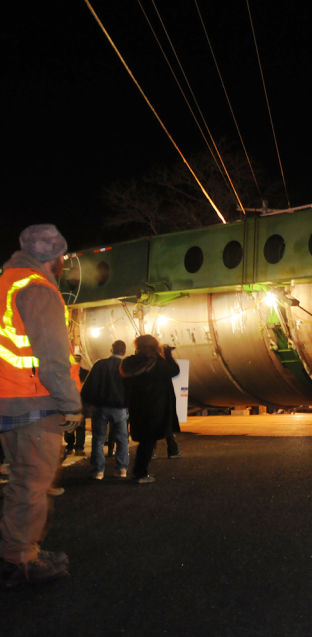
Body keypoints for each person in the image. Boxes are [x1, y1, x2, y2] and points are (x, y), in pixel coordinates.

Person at [0, 224, 82, 587]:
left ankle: (19, 549)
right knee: (32, 483)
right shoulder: (38, 290)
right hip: (33, 402)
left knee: (22, 481)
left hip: (9, 399)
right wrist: (71, 404)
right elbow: (53, 360)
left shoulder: (6, 283)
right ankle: (20, 559)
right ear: (55, 256)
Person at [120, 335, 180, 484]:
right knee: (148, 441)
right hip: (154, 407)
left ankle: (139, 472)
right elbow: (174, 371)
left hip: (136, 406)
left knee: (144, 440)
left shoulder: (128, 362)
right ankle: (140, 473)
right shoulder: (157, 362)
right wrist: (167, 354)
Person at [81, 340, 130, 480]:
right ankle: (121, 469)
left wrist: (88, 403)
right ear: (124, 351)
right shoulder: (126, 366)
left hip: (100, 407)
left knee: (98, 438)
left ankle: (98, 471)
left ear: (111, 349)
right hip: (120, 408)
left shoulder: (100, 365)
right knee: (122, 439)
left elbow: (88, 387)